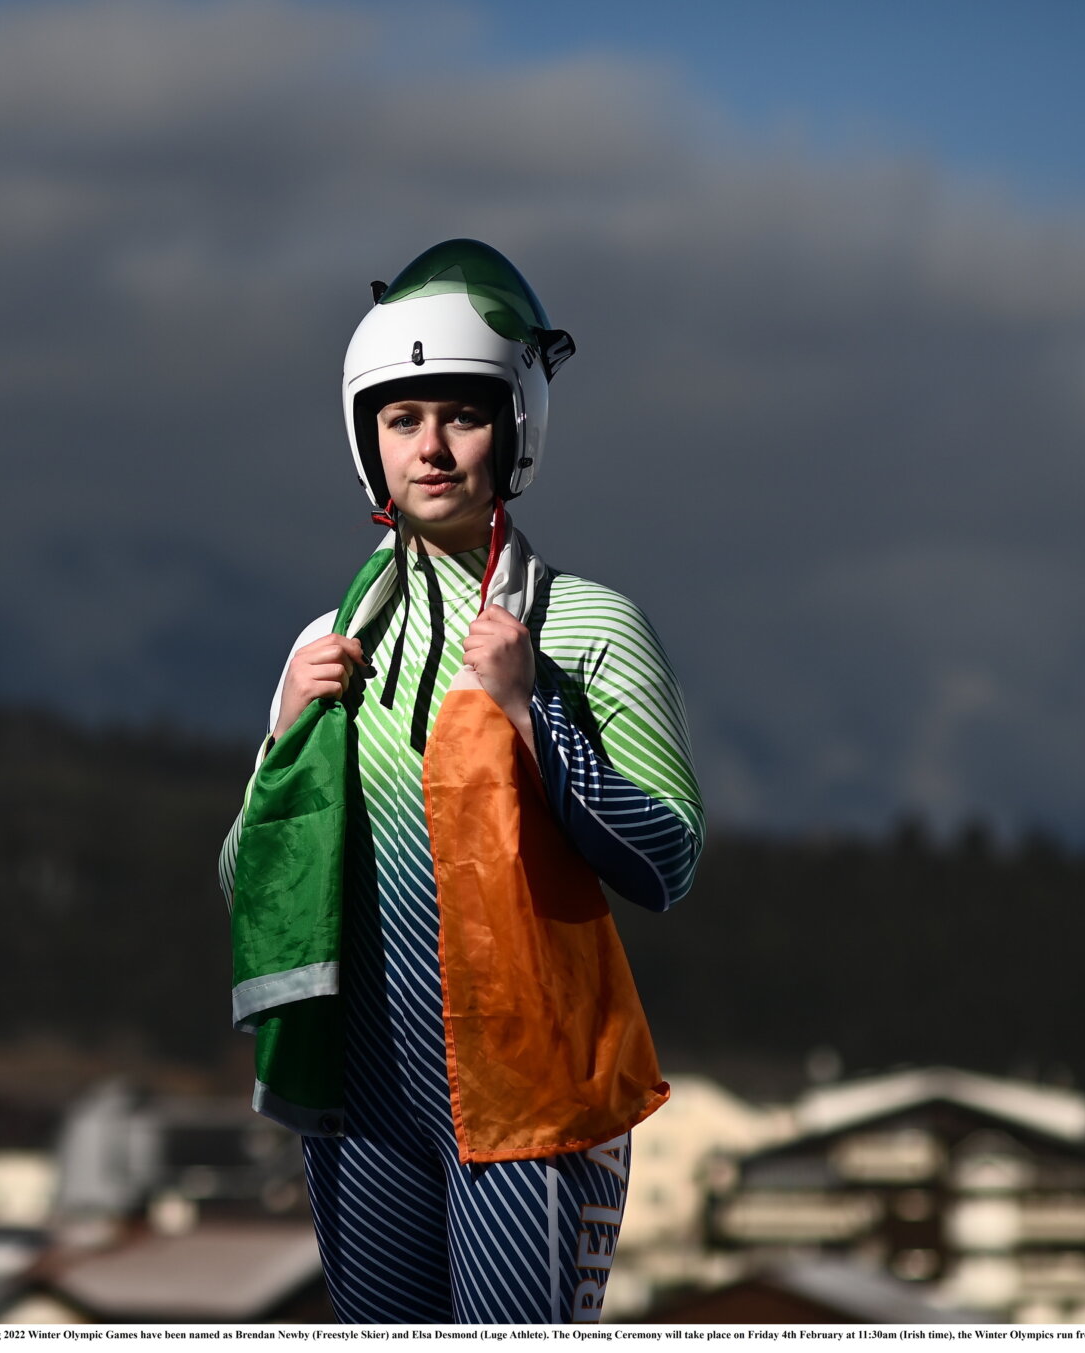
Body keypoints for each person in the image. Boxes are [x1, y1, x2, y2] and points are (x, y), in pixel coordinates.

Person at [219, 240, 703, 1324]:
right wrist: (290, 728)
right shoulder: (323, 647)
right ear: (367, 441)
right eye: (402, 420)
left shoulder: (585, 625)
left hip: (531, 1094)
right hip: (362, 1099)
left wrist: (535, 713)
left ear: (516, 427)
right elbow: (244, 880)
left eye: (461, 416)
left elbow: (667, 855)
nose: (430, 448)